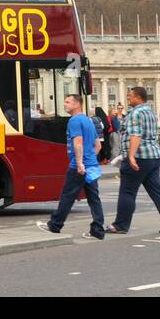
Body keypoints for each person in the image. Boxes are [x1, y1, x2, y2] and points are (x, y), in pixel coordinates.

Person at [107, 87, 160, 235]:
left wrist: (131, 156)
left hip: (139, 156)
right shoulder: (150, 112)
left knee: (127, 192)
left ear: (138, 98)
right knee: (157, 192)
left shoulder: (135, 113)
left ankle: (120, 225)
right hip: (153, 156)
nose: (129, 98)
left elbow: (136, 135)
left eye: (131, 96)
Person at [37, 94, 104, 239]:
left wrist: (80, 163)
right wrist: (90, 158)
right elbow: (98, 145)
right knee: (94, 198)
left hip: (78, 166)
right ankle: (98, 230)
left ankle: (54, 225)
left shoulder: (74, 121)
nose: (65, 105)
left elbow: (77, 143)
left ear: (77, 104)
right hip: (91, 165)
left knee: (67, 196)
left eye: (68, 102)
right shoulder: (88, 120)